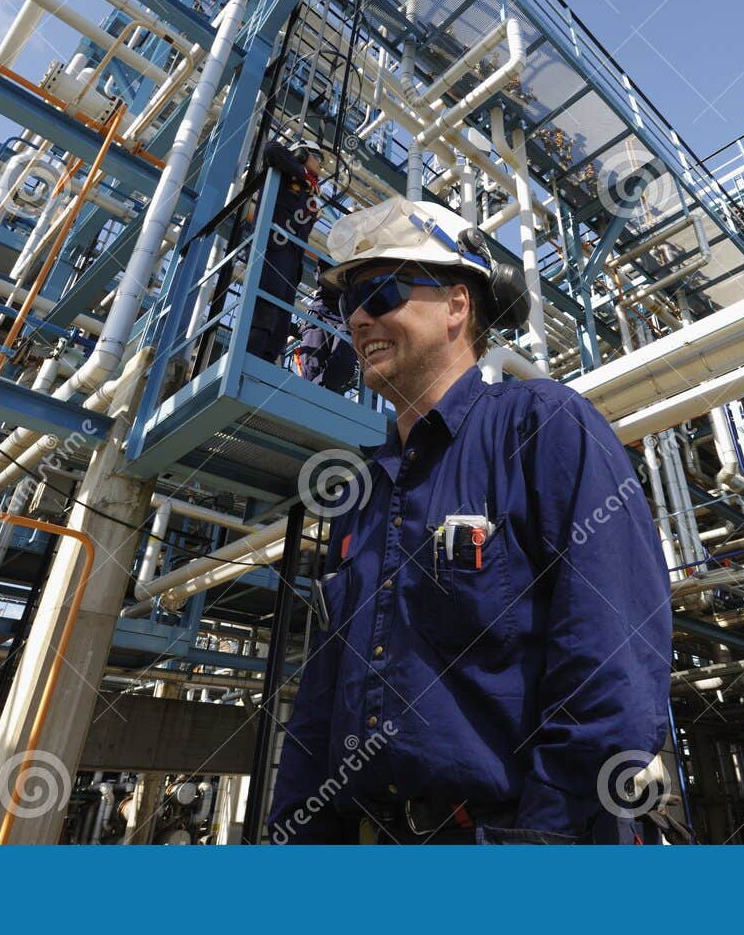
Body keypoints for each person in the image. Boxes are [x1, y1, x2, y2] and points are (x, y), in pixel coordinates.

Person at [266, 197, 672, 844]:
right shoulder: (364, 495)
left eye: (380, 292)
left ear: (458, 305)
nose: (359, 318)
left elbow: (612, 668)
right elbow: (320, 698)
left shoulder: (543, 427)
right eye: (348, 304)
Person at [245, 137, 323, 366]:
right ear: (302, 154)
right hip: (271, 252)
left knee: (280, 325)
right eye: (317, 158)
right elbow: (270, 149)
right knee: (264, 315)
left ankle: (264, 367)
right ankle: (247, 361)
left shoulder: (307, 196)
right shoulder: (284, 174)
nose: (321, 166)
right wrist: (301, 171)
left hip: (291, 264)